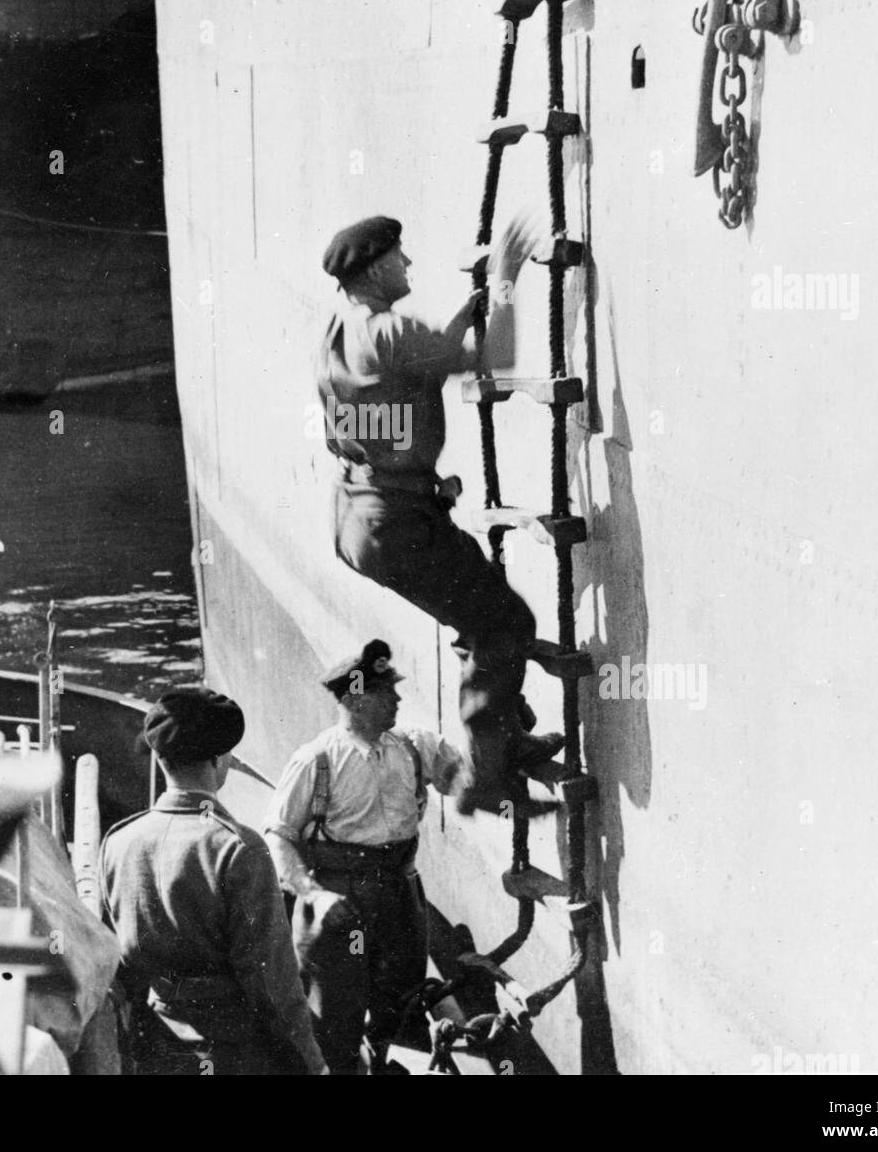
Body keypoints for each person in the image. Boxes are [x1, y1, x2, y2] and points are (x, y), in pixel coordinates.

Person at [316, 214, 563, 814]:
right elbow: (497, 357)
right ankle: (483, 774)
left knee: (474, 611)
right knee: (505, 624)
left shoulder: (340, 330)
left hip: (360, 512)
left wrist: (419, 479)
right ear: (376, 269)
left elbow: (386, 400)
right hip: (396, 524)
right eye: (400, 258)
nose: (408, 267)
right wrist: (504, 282)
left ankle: (504, 740)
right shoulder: (391, 330)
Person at [99, 686, 327, 1075]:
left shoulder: (118, 841)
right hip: (233, 1049)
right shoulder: (238, 848)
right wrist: (311, 1063)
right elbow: (271, 981)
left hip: (156, 1043)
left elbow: (117, 956)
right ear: (219, 762)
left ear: (159, 757)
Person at [265, 638, 464, 1075]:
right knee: (335, 1013)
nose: (397, 698)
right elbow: (278, 837)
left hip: (401, 895)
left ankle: (380, 1060)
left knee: (402, 998)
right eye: (385, 691)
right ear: (356, 698)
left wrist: (502, 745)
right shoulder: (316, 761)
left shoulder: (413, 746)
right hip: (340, 902)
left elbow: (466, 784)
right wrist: (312, 896)